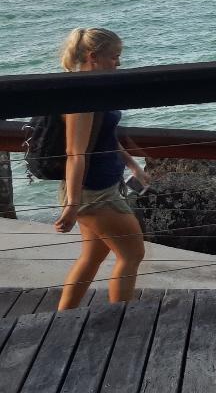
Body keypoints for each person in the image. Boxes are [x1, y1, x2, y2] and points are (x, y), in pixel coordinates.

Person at [54, 27, 150, 309]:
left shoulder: (94, 89)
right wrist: (72, 205)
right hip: (92, 192)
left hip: (98, 187)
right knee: (132, 254)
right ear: (93, 56)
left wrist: (133, 164)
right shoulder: (80, 97)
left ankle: (64, 316)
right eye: (114, 57)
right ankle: (121, 320)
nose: (118, 63)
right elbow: (76, 152)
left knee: (93, 256)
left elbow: (102, 138)